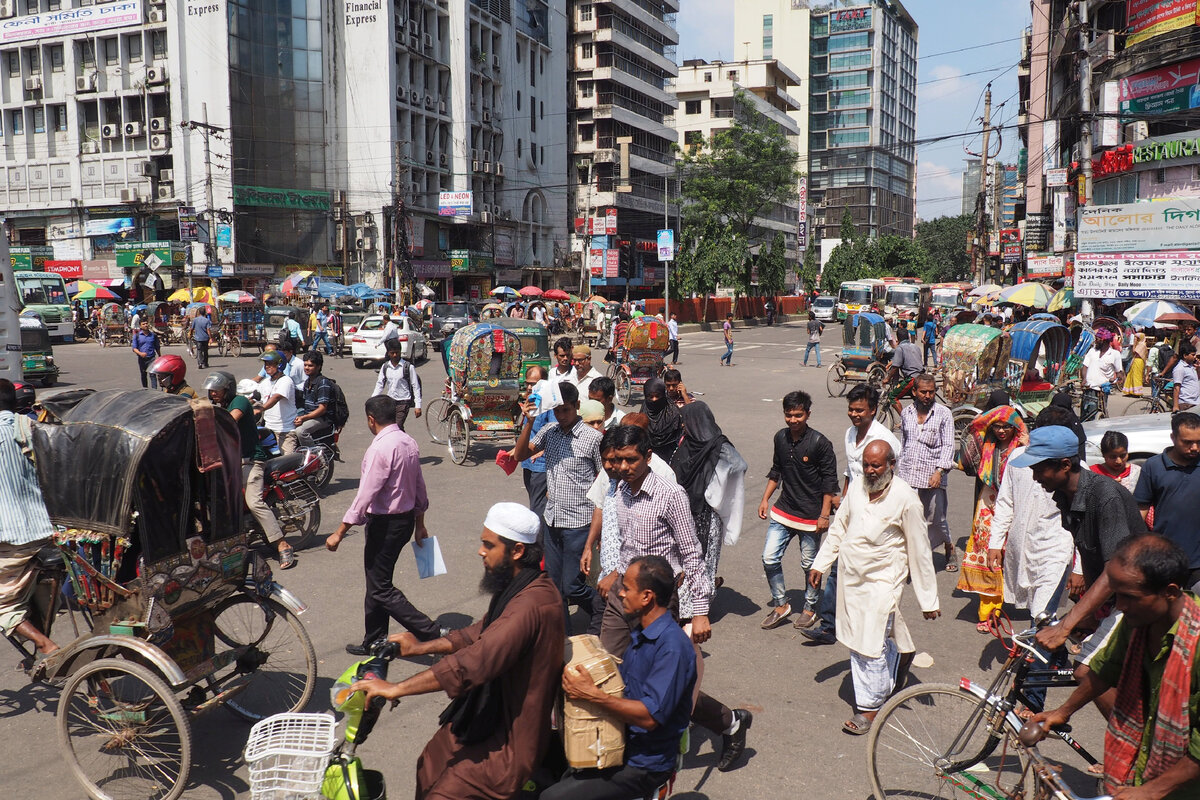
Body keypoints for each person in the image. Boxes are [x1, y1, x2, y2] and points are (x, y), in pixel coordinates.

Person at [348, 503, 565, 800]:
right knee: (430, 762)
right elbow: (478, 632)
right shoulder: (519, 586)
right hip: (486, 718)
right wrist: (417, 647)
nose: (481, 551)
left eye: (489, 545)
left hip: (510, 742)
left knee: (445, 794)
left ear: (516, 551)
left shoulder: (531, 605)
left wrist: (396, 688)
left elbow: (473, 663)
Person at [597, 425, 750, 773]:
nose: (622, 467)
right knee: (608, 670)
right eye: (618, 460)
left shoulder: (671, 495)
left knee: (667, 689)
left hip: (659, 604)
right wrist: (611, 572)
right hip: (623, 596)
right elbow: (621, 542)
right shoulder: (619, 490)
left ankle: (730, 723)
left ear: (648, 457)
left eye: (631, 460)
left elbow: (692, 554)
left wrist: (700, 612)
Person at [1028, 535, 1200, 799]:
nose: (1120, 605)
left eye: (1129, 597)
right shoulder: (1138, 620)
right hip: (1143, 766)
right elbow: (1106, 669)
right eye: (1117, 594)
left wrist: (1152, 791)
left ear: (1170, 592)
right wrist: (1063, 711)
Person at [809, 440, 940, 735]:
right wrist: (820, 563)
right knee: (861, 635)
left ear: (891, 465)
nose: (870, 470)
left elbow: (919, 551)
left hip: (884, 579)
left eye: (876, 465)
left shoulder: (906, 499)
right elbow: (839, 527)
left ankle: (869, 708)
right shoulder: (856, 486)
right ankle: (901, 652)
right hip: (852, 578)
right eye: (866, 464)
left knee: (867, 644)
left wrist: (928, 600)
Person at [545, 556, 697, 800]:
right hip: (618, 742)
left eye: (626, 588)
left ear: (647, 596)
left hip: (645, 763)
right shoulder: (640, 631)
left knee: (553, 798)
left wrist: (593, 695)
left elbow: (649, 717)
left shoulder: (672, 648)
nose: (621, 594)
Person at [1022, 427, 1147, 695]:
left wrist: (1066, 626)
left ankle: (1128, 737)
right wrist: (1088, 614)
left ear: (1065, 465)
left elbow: (1115, 570)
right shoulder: (1066, 496)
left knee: (1086, 672)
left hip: (1138, 600)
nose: (1034, 477)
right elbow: (1092, 556)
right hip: (1114, 601)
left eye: (1039, 469)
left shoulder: (1105, 496)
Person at [327, 395, 443, 653]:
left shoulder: (380, 448)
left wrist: (340, 531)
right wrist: (420, 523)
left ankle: (431, 632)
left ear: (371, 419)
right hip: (403, 523)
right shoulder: (408, 442)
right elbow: (419, 486)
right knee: (376, 582)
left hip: (385, 525)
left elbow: (366, 494)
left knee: (380, 588)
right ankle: (375, 641)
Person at [802, 385, 903, 646]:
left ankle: (871, 628)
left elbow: (893, 480)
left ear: (873, 410)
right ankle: (828, 626)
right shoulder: (850, 434)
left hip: (877, 514)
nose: (854, 414)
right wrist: (843, 501)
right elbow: (850, 471)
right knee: (837, 566)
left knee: (868, 571)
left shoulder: (885, 440)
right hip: (852, 507)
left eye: (860, 410)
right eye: (851, 409)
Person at [510, 381, 603, 631]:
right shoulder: (549, 432)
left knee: (573, 586)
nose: (561, 416)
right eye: (558, 411)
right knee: (554, 586)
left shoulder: (592, 439)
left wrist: (598, 533)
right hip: (552, 521)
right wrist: (528, 422)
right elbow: (520, 455)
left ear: (577, 407)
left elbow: (604, 483)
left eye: (566, 410)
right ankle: (565, 638)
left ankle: (607, 613)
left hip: (579, 524)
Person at [757, 390, 839, 630]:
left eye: (798, 415)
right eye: (789, 415)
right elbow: (776, 471)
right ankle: (781, 605)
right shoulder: (780, 438)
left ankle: (810, 608)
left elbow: (829, 483)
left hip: (811, 517)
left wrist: (824, 516)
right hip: (784, 510)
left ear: (808, 414)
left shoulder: (820, 443)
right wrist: (765, 499)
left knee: (809, 565)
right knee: (769, 557)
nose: (793, 420)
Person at [205, 371, 294, 567]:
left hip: (252, 461)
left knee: (254, 503)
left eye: (216, 390)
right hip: (232, 464)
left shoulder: (239, 402)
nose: (213, 394)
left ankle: (282, 545)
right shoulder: (221, 407)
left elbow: (229, 420)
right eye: (211, 391)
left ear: (228, 388)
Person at [956, 398, 1028, 631]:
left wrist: (1027, 440)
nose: (1001, 430)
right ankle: (988, 613)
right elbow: (975, 426)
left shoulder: (1023, 447)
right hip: (987, 505)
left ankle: (1000, 606)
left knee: (1009, 554)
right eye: (997, 426)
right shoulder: (986, 444)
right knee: (987, 554)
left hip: (1014, 506)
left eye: (1006, 426)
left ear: (1015, 427)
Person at [0, 379, 58, 656]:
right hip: (47, 528)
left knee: (3, 606)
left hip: (12, 535)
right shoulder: (31, 427)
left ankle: (45, 644)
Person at [672, 401, 747, 612]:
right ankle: (684, 606)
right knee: (685, 559)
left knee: (704, 558)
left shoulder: (718, 445)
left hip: (707, 513)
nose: (683, 425)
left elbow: (739, 465)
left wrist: (714, 487)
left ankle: (696, 609)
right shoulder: (687, 441)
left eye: (686, 421)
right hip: (684, 510)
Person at [896, 373, 957, 569]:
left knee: (936, 518)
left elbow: (948, 446)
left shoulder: (943, 414)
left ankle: (949, 546)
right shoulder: (906, 413)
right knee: (908, 519)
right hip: (908, 475)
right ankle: (912, 560)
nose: (927, 395)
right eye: (923, 392)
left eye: (931, 392)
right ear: (914, 392)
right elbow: (904, 444)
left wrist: (939, 471)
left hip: (933, 477)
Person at [1134, 412, 1200, 592]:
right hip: (1166, 558)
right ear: (1173, 437)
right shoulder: (1153, 467)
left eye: (1199, 442)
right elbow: (1141, 509)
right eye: (1187, 442)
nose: (1194, 447)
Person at [519, 365, 554, 521]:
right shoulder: (531, 400)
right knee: (534, 500)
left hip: (541, 463)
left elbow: (553, 430)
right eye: (528, 383)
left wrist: (542, 450)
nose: (529, 387)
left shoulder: (550, 404)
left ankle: (538, 542)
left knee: (537, 507)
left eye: (534, 384)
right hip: (528, 462)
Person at [373, 338, 422, 430]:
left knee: (397, 427)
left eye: (397, 352)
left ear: (400, 352)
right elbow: (380, 385)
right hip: (390, 402)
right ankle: (403, 443)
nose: (395, 355)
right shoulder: (385, 367)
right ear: (388, 353)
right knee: (391, 428)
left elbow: (416, 387)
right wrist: (372, 400)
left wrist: (418, 406)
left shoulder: (408, 367)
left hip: (404, 402)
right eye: (392, 353)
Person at [256, 351, 298, 454]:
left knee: (287, 462)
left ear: (279, 364)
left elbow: (276, 398)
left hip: (285, 431)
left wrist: (260, 409)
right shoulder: (265, 382)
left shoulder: (286, 381)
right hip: (268, 430)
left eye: (270, 364)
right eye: (265, 364)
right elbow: (254, 396)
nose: (266, 367)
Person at [1082, 328, 1125, 419]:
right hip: (1089, 387)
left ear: (1105, 341)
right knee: (1085, 414)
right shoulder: (1092, 351)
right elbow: (1085, 366)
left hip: (1101, 389)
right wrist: (1084, 379)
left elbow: (1119, 373)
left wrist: (1116, 380)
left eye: (1098, 339)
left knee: (1097, 414)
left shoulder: (1114, 354)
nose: (1095, 341)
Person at [294, 351, 335, 440]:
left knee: (300, 431)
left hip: (322, 418)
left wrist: (303, 418)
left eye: (310, 366)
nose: (306, 368)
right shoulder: (307, 382)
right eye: (305, 365)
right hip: (308, 414)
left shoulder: (323, 383)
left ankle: (312, 452)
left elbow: (322, 409)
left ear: (319, 366)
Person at [642, 378, 682, 463]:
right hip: (648, 460)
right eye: (650, 396)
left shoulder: (673, 413)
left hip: (670, 459)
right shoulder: (644, 412)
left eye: (658, 396)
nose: (654, 399)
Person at [131, 318, 161, 388]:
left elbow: (157, 347)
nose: (145, 325)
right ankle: (145, 390)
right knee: (143, 375)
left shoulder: (153, 335)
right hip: (142, 359)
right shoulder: (137, 336)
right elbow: (134, 348)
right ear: (140, 326)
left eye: (146, 323)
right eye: (143, 324)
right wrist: (140, 353)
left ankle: (154, 391)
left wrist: (160, 356)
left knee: (153, 374)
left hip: (152, 358)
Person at [1172, 343, 1200, 413]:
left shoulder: (1191, 367)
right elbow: (1176, 387)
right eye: (1193, 355)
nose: (1195, 357)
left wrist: (1198, 369)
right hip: (1186, 403)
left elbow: (1197, 379)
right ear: (1185, 355)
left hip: (1195, 402)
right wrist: (1175, 406)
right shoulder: (1180, 368)